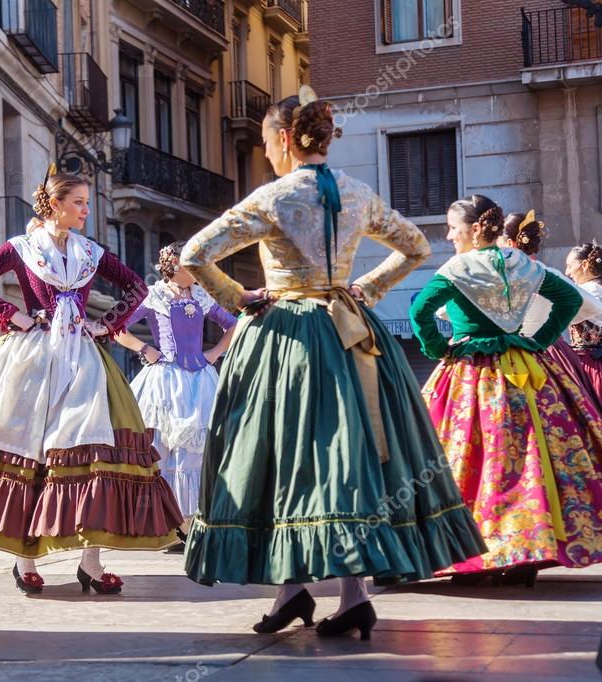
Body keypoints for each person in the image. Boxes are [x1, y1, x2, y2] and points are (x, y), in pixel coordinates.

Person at [181, 88, 486, 641]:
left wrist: (239, 297)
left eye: (268, 143)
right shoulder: (358, 193)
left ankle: (305, 589)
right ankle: (339, 594)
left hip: (287, 339)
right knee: (348, 457)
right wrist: (366, 287)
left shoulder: (272, 198)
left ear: (283, 140)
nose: (267, 153)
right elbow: (417, 246)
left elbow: (193, 255)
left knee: (284, 458)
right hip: (350, 332)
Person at [0, 171, 183, 595]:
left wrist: (105, 326)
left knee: (92, 448)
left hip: (82, 357)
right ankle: (24, 559)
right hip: (30, 359)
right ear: (55, 204)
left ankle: (91, 560)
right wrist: (13, 315)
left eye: (87, 202)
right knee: (25, 452)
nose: (87, 210)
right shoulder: (22, 247)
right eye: (80, 202)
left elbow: (137, 287)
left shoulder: (90, 251)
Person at [410, 195, 602, 587]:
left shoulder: (458, 267)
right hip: (526, 369)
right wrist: (540, 339)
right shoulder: (525, 264)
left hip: (471, 371)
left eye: (452, 228)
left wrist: (438, 349)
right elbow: (569, 298)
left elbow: (419, 312)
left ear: (472, 229)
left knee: (467, 458)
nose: (449, 236)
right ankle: (524, 554)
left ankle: (470, 556)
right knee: (530, 457)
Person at [115, 242, 237, 547]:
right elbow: (117, 327)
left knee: (194, 450)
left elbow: (233, 325)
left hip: (199, 380)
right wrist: (145, 349)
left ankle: (190, 523)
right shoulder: (153, 295)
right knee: (162, 447)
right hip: (164, 380)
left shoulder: (201, 295)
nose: (197, 271)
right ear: (173, 267)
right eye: (190, 265)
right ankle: (164, 524)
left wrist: (214, 354)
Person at [501, 211, 602, 416]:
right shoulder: (544, 273)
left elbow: (443, 312)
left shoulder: (490, 274)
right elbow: (588, 306)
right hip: (546, 351)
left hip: (507, 355)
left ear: (510, 243)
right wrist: (551, 327)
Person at [566, 242, 602, 401]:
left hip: (592, 364)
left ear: (585, 264)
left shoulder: (590, 291)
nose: (567, 272)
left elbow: (563, 315)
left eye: (569, 266)